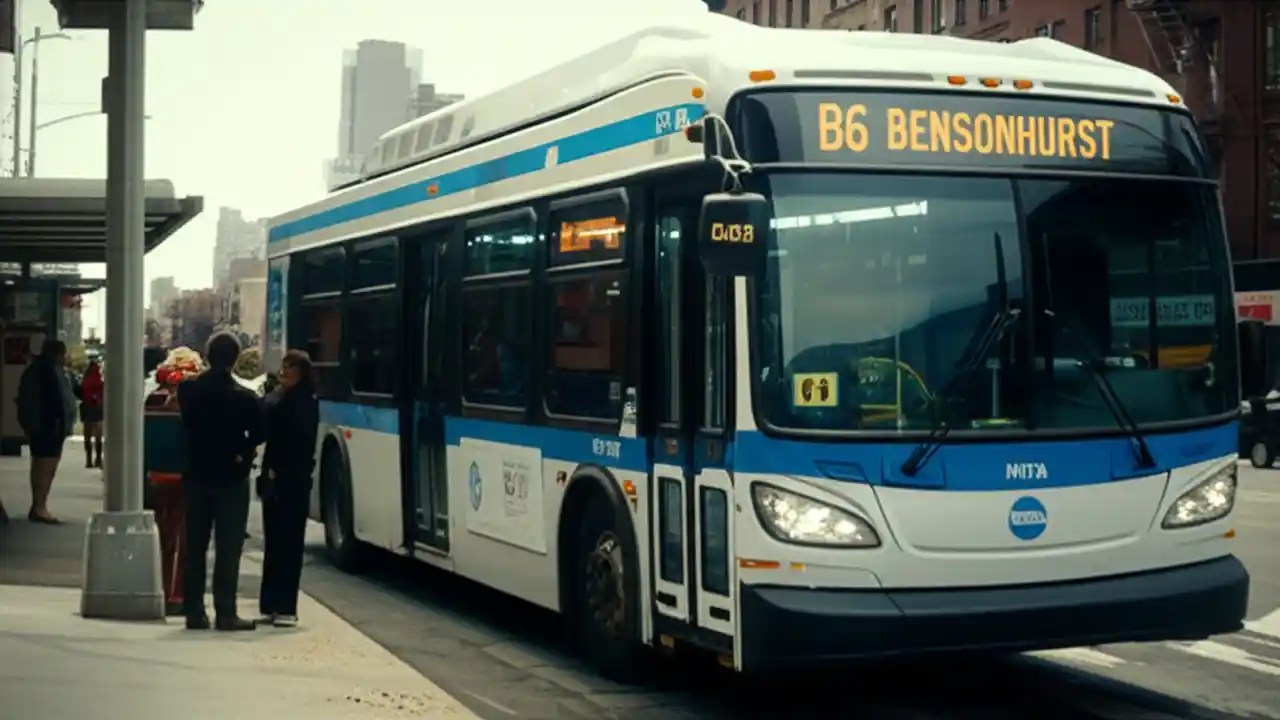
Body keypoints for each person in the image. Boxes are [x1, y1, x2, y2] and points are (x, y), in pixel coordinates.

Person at [177, 333, 266, 631]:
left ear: (206, 354)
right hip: (231, 478)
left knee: (195, 546)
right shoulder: (244, 397)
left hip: (197, 475)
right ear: (236, 359)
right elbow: (258, 433)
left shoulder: (188, 390)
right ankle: (225, 612)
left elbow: (187, 423)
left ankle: (194, 611)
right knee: (228, 549)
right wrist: (242, 454)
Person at [257, 350, 320, 628]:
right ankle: (270, 602)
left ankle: (285, 606)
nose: (285, 371)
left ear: (302, 372)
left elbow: (296, 440)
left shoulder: (303, 403)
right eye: (284, 365)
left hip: (292, 480)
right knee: (274, 543)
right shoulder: (279, 398)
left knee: (290, 544)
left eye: (291, 367)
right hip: (274, 479)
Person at [15, 339, 75, 524]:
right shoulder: (49, 371)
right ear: (59, 353)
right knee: (46, 468)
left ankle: (38, 505)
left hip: (41, 426)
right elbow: (53, 401)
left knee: (39, 464)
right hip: (49, 428)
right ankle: (40, 507)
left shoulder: (38, 368)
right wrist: (58, 424)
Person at [79, 360, 105, 468]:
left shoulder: (84, 381)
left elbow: (80, 393)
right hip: (98, 409)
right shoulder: (100, 382)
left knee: (87, 435)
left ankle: (88, 459)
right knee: (98, 436)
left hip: (87, 409)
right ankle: (98, 458)